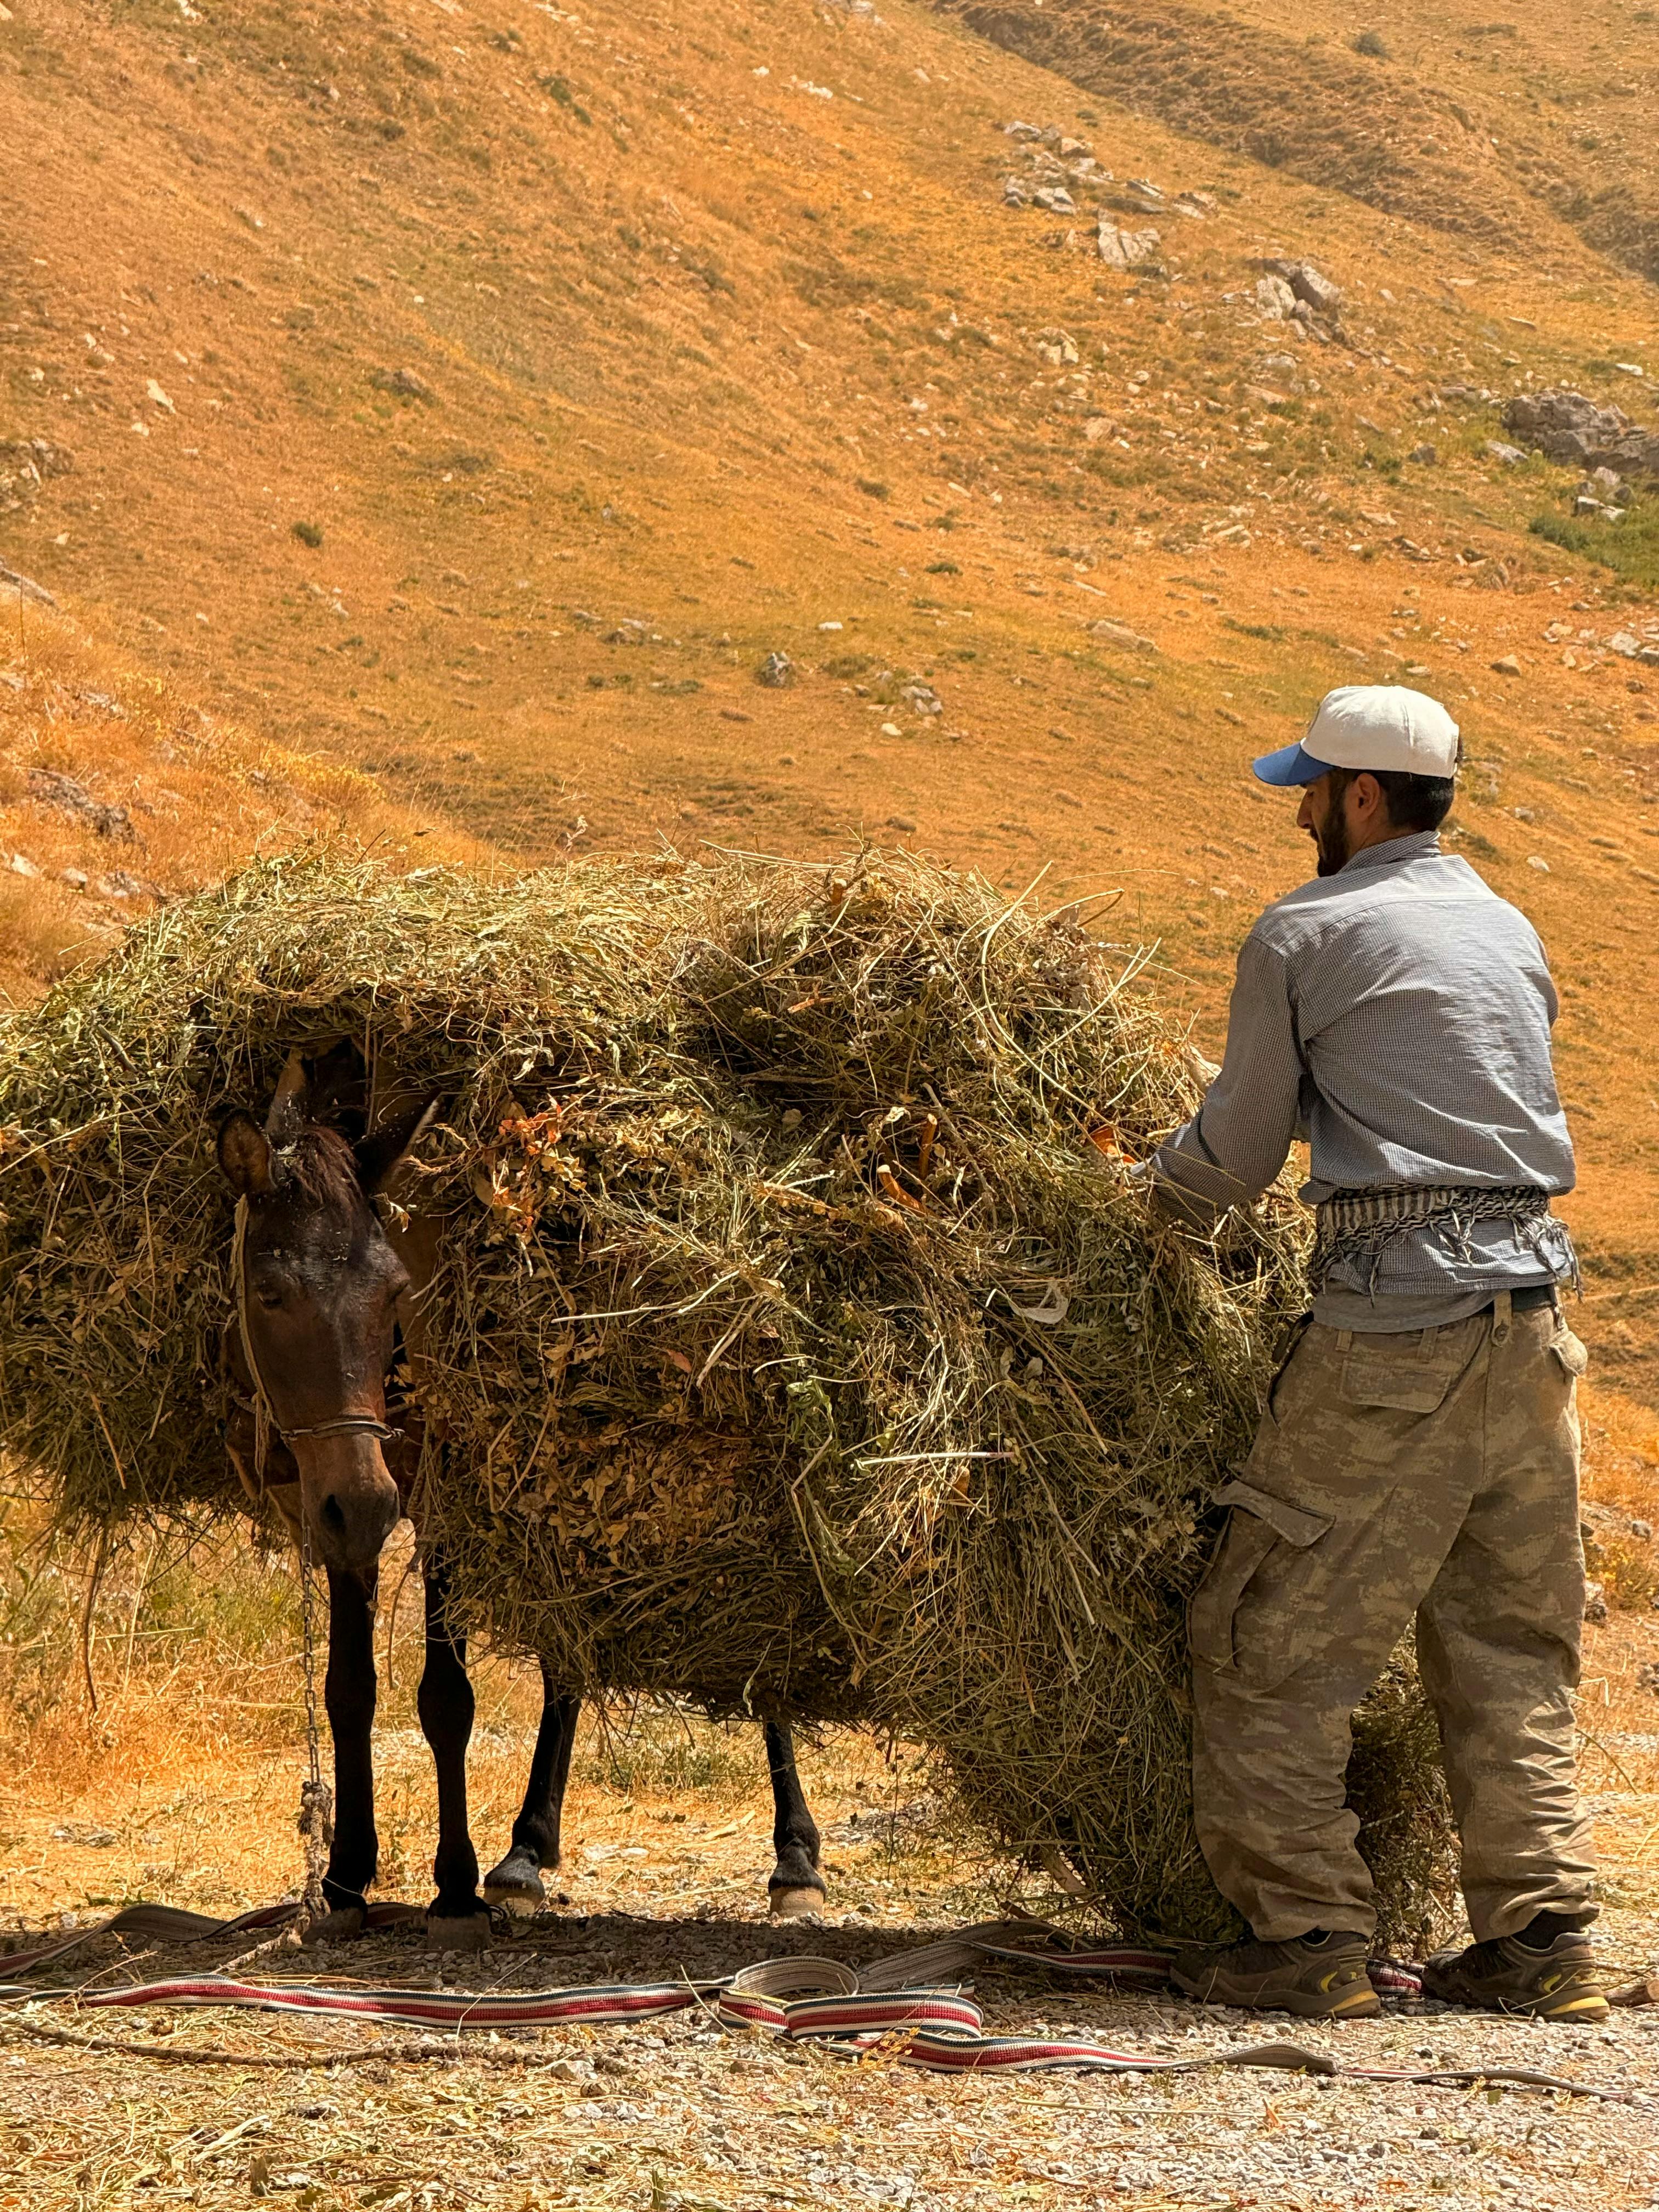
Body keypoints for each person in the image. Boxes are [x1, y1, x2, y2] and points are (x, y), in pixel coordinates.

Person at [1149, 684, 1604, 2023]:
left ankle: (1307, 1936)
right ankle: (1543, 1936)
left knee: (1265, 1634)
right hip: (1535, 1330)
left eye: (1311, 787)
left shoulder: (1306, 929)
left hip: (1396, 1333)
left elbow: (1232, 1161)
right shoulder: (1505, 926)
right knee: (1510, 1643)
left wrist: (1136, 1192)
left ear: (1359, 797)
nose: (1300, 809)